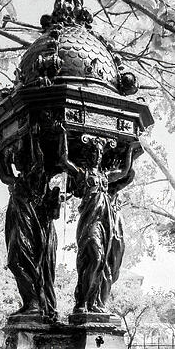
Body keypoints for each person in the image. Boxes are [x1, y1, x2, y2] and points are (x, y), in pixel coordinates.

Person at [60, 130, 134, 314]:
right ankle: (81, 302)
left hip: (104, 224)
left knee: (100, 262)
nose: (97, 155)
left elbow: (126, 172)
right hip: (89, 223)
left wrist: (130, 150)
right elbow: (65, 160)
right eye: (94, 152)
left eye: (100, 153)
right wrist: (63, 135)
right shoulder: (83, 174)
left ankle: (91, 303)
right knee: (95, 258)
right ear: (89, 155)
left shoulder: (105, 177)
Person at [0, 129, 59, 318]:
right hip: (17, 222)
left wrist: (33, 137)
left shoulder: (34, 177)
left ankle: (34, 303)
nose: (15, 161)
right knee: (14, 262)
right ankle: (31, 302)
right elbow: (4, 175)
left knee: (20, 261)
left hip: (30, 225)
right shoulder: (17, 181)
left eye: (18, 157)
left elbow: (39, 159)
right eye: (15, 158)